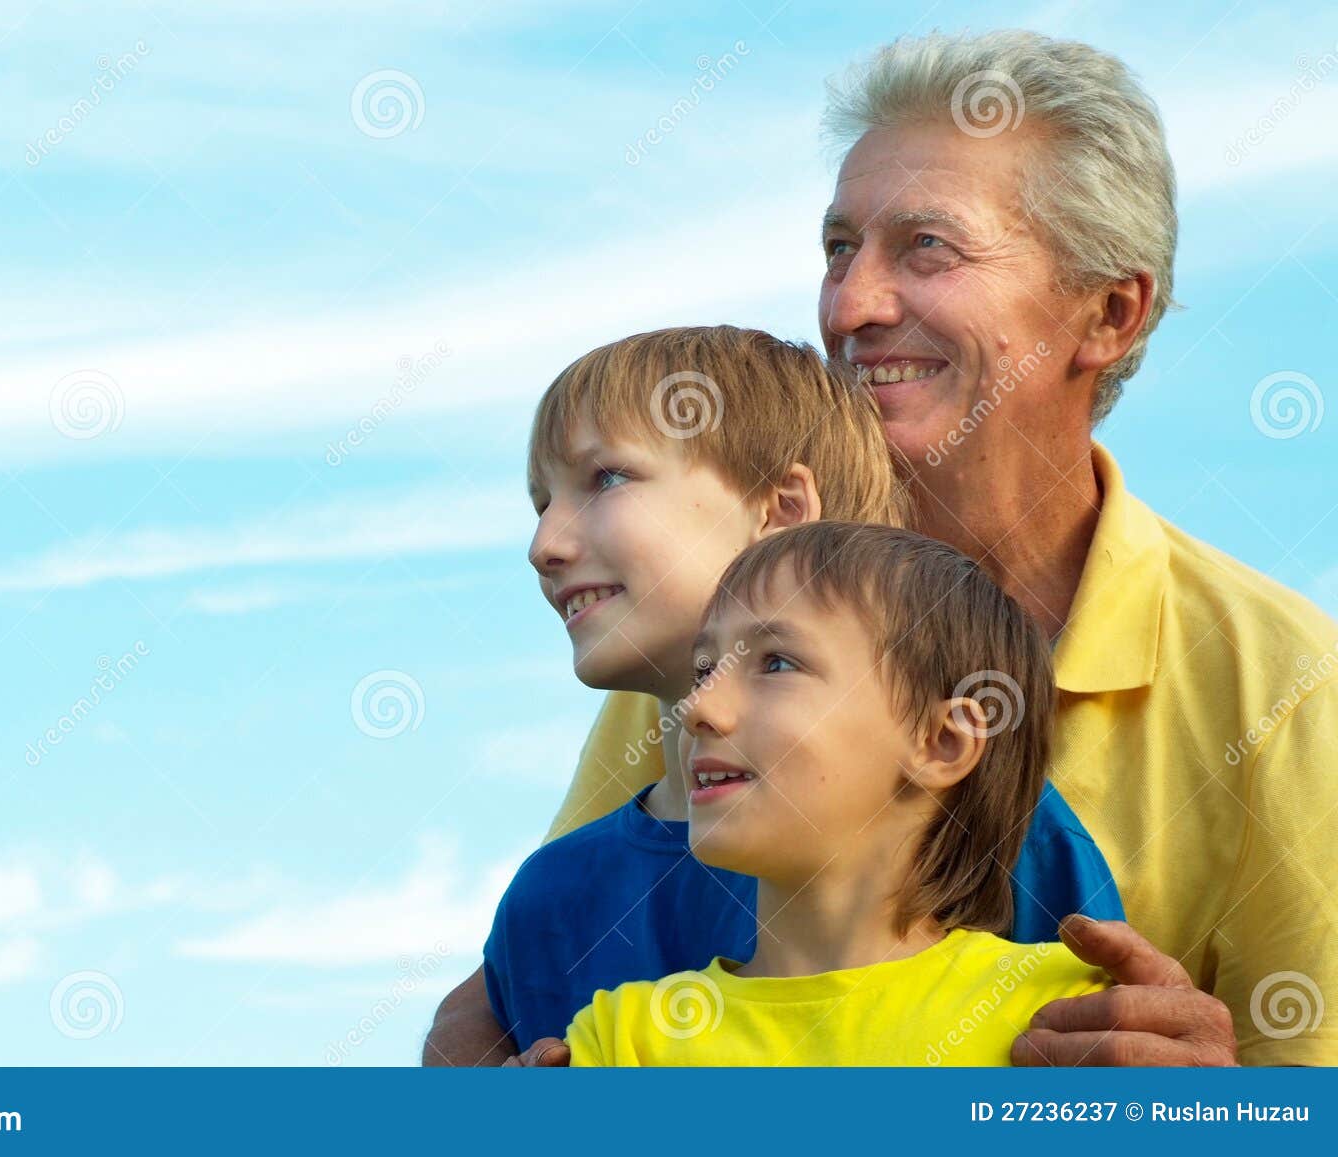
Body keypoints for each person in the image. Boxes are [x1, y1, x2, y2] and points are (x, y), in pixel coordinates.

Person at [539, 30, 1337, 1066]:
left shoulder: (1284, 685)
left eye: (927, 247)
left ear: (1106, 312)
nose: (849, 305)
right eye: (838, 248)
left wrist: (1216, 1102)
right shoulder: (729, 623)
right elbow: (553, 952)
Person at [458, 326, 1121, 1060]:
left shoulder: (1015, 840)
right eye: (541, 501)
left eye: (606, 478)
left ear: (779, 508)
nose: (543, 543)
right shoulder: (550, 902)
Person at [566, 521, 1108, 1065]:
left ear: (942, 742)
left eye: (776, 663)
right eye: (705, 670)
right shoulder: (621, 1041)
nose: (699, 708)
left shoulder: (1069, 1021)